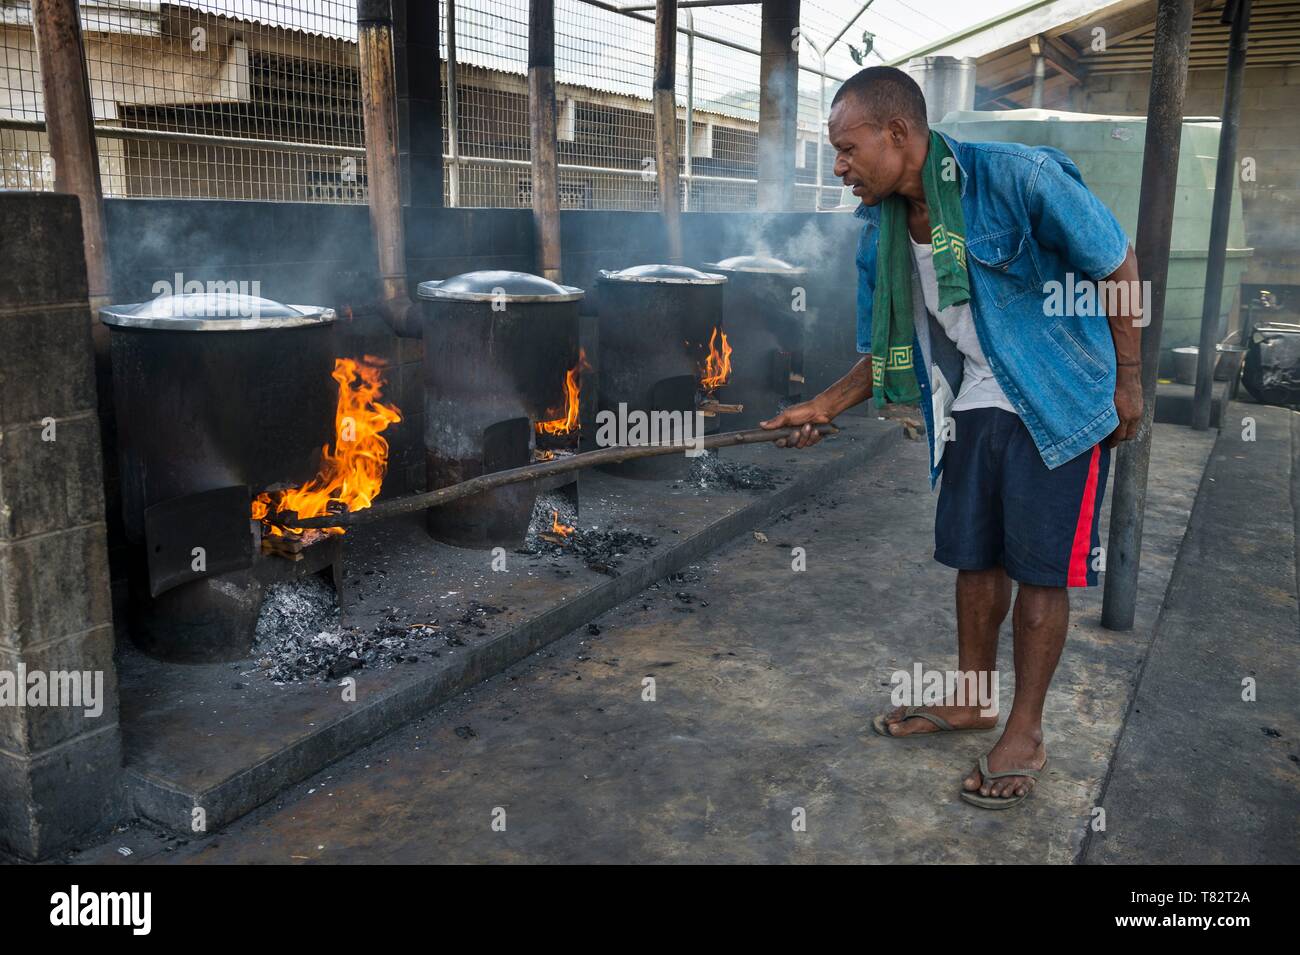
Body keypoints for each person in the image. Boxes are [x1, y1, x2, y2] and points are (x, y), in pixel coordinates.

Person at [761, 66, 1142, 809]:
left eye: (846, 149)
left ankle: (1025, 729)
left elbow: (1116, 261)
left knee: (1039, 569)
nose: (838, 167)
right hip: (973, 393)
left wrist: (1129, 377)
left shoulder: (1018, 178)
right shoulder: (878, 228)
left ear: (897, 134)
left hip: (1059, 392)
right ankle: (973, 697)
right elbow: (888, 341)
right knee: (973, 556)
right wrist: (825, 405)